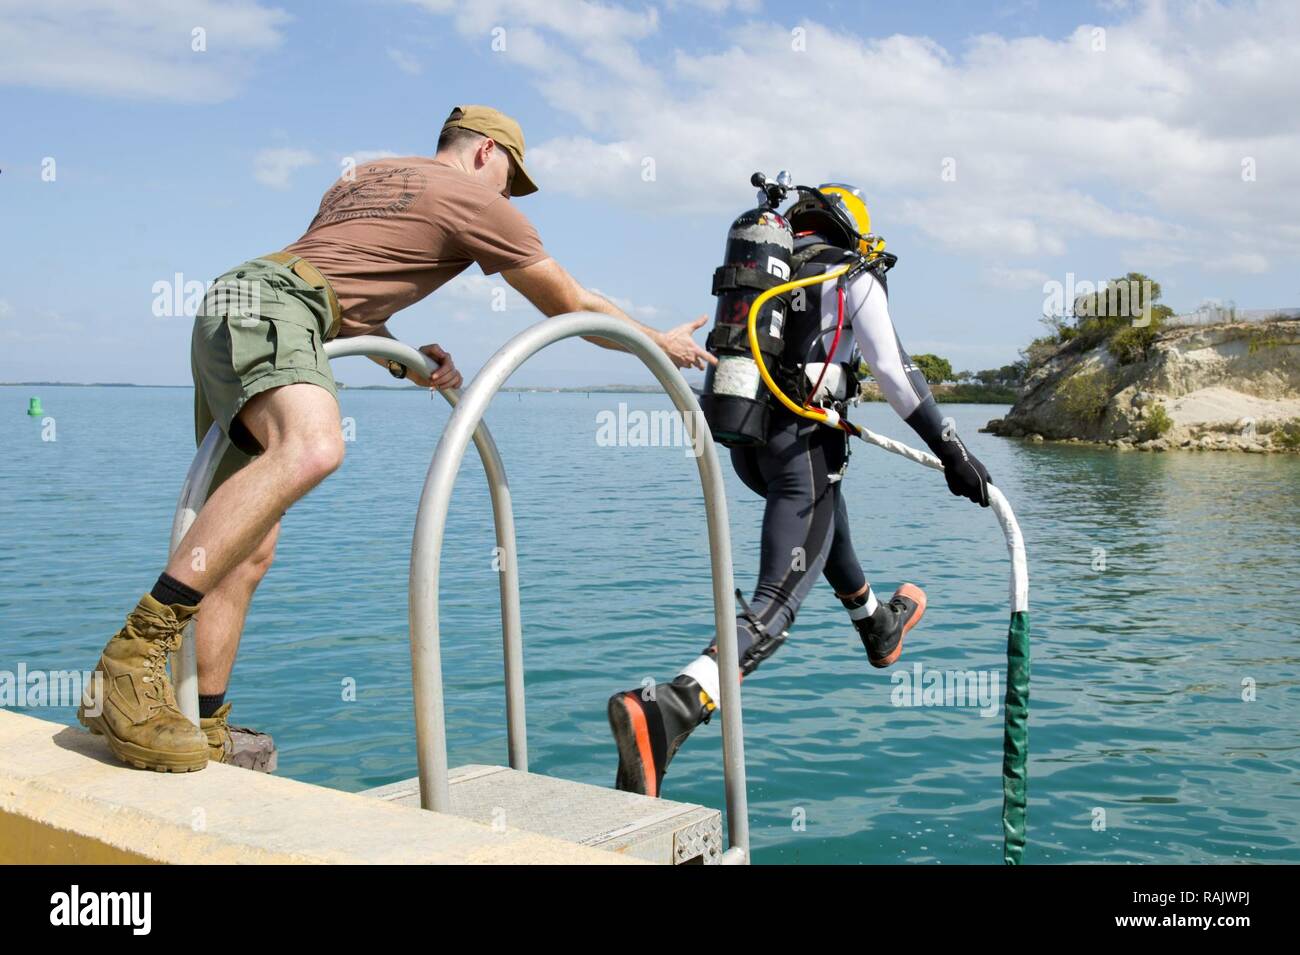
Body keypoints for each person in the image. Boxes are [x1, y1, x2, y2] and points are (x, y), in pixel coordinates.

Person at [78, 105, 714, 772]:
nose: (507, 193)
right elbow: (572, 304)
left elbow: (339, 285)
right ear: (482, 153)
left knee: (249, 547)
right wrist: (658, 340)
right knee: (314, 445)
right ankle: (129, 661)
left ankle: (201, 721)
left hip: (239, 301)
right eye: (509, 177)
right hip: (277, 309)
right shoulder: (477, 199)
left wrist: (398, 353)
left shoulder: (367, 177)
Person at [607, 183, 993, 797]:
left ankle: (877, 625)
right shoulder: (851, 272)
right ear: (854, 233)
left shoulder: (766, 280)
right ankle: (670, 708)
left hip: (749, 444)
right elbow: (894, 373)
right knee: (777, 600)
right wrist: (954, 451)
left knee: (823, 520)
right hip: (802, 450)